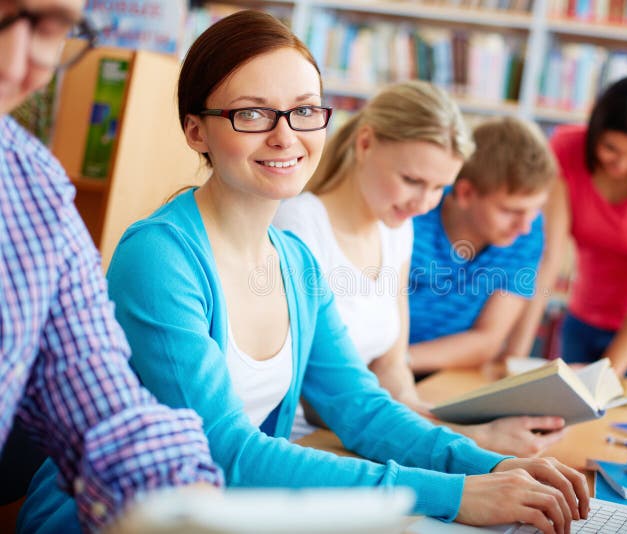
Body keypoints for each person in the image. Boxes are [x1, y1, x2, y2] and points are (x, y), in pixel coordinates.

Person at [20, 10, 590, 534]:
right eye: (251, 113)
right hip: (116, 519)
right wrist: (456, 492)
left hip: (234, 512)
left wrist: (496, 465)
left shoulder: (295, 259)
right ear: (197, 132)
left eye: (304, 110)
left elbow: (360, 407)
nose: (286, 135)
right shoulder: (161, 256)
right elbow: (222, 449)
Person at [0, 0, 223, 531]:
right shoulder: (160, 247)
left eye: (50, 29)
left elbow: (99, 396)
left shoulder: (32, 190)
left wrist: (184, 502)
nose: (14, 65)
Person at [273, 86, 566, 457]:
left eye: (438, 188)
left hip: (361, 435)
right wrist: (470, 437)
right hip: (303, 442)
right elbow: (327, 401)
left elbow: (393, 368)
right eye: (412, 181)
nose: (424, 203)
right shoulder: (297, 227)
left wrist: (438, 423)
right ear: (365, 144)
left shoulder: (395, 229)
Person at [505, 75, 627, 391]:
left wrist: (607, 373)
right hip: (583, 321)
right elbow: (549, 257)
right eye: (611, 148)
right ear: (595, 129)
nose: (621, 165)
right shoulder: (567, 149)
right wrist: (517, 351)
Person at [407, 116, 556, 375]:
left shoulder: (527, 231)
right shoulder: (414, 217)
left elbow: (487, 340)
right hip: (373, 365)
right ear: (465, 193)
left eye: (535, 209)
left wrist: (399, 362)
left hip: (445, 371)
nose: (524, 226)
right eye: (510, 210)